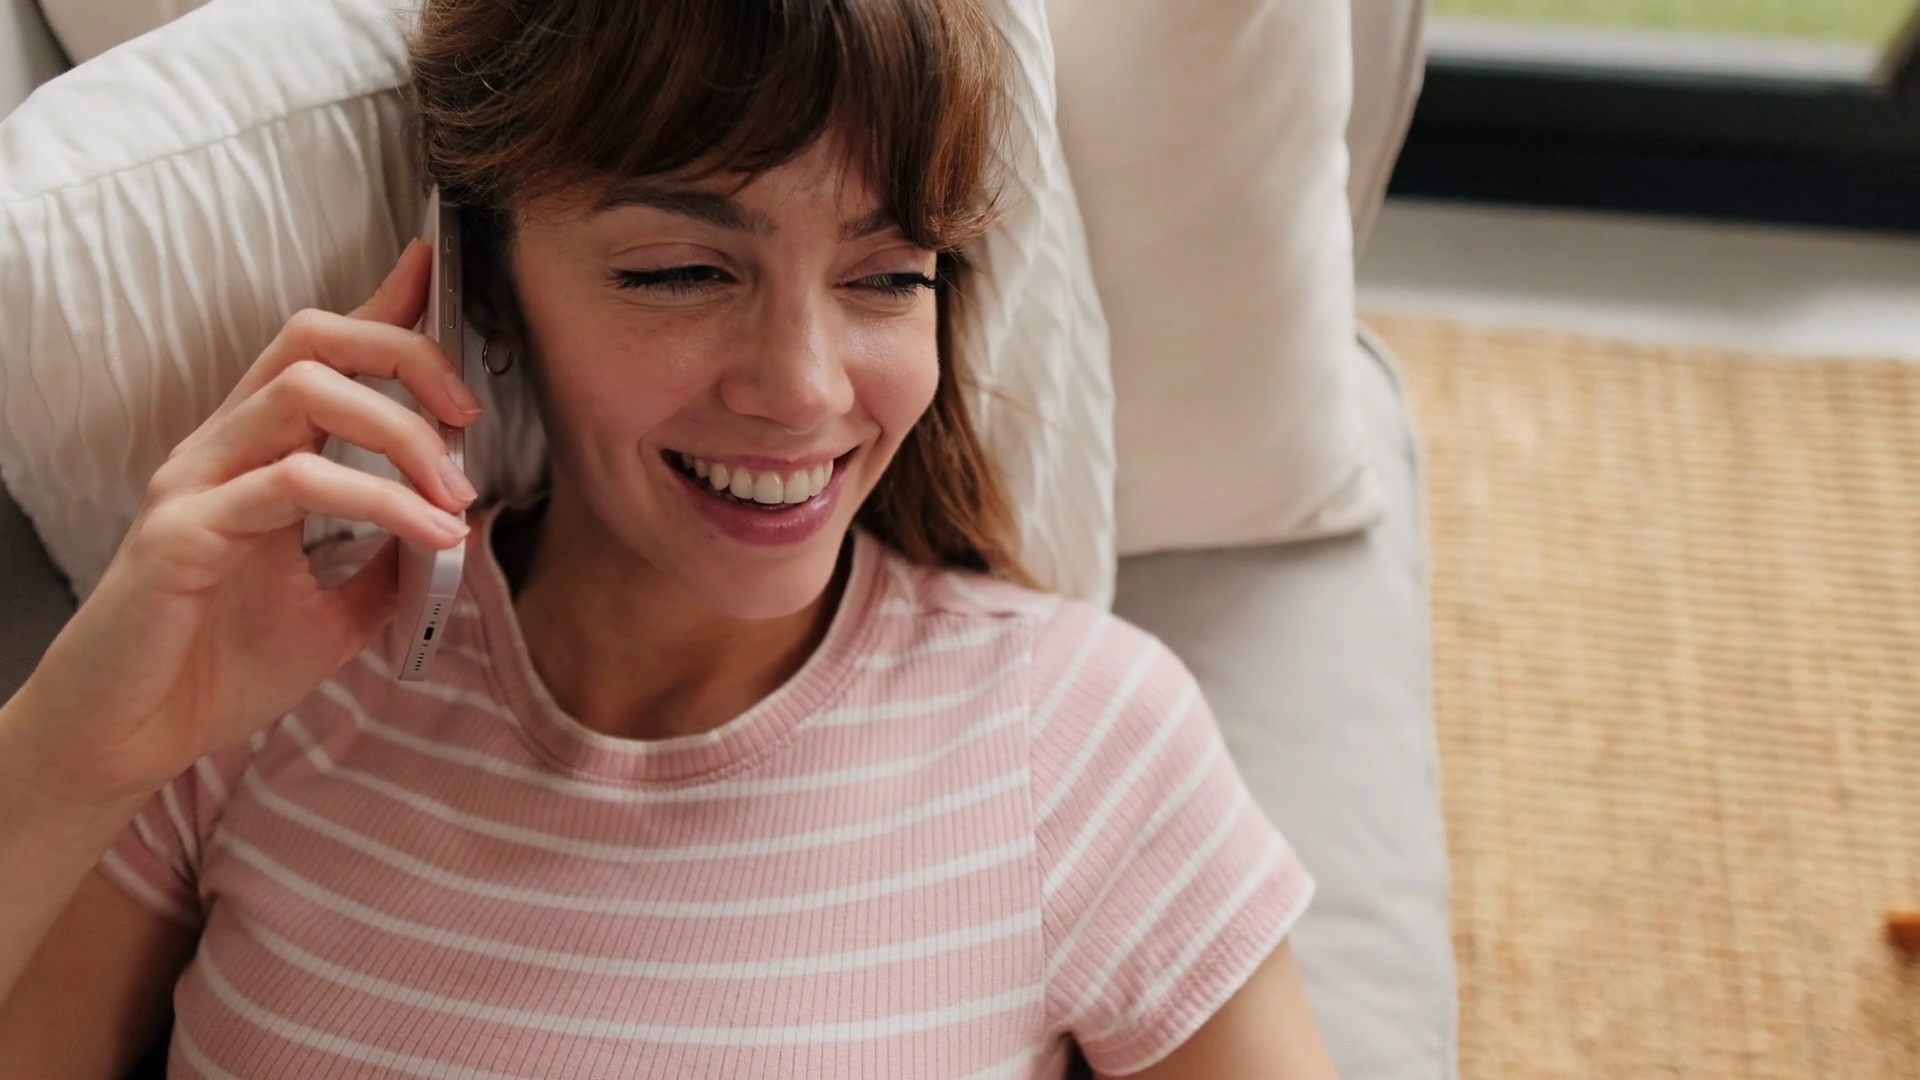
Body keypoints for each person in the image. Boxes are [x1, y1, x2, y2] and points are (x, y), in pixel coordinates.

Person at [0, 1, 1340, 1076]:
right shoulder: (263, 676)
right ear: (490, 284)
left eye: (887, 277)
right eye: (683, 272)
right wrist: (74, 750)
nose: (803, 389)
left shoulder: (1080, 743)